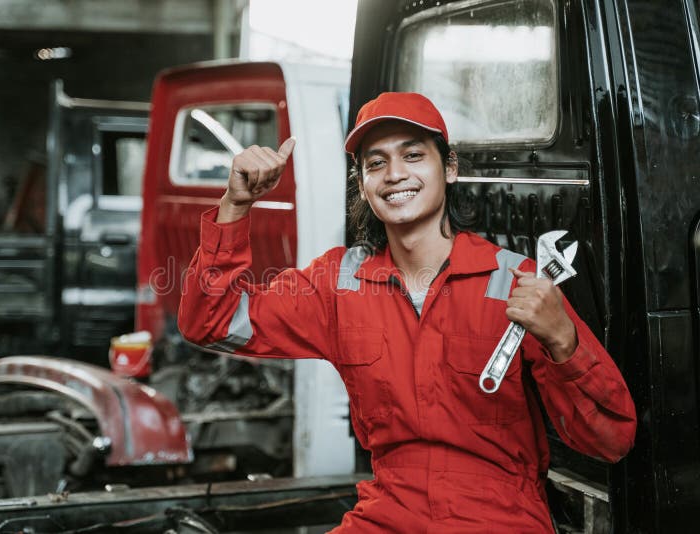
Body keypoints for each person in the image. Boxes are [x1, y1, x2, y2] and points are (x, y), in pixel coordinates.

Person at [178, 92, 637, 533]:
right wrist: (236, 206)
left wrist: (564, 342)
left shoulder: (517, 283)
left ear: (450, 168)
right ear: (363, 185)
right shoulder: (338, 284)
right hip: (389, 513)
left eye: (413, 155)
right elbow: (210, 323)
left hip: (499, 517)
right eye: (376, 163)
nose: (394, 174)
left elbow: (610, 440)